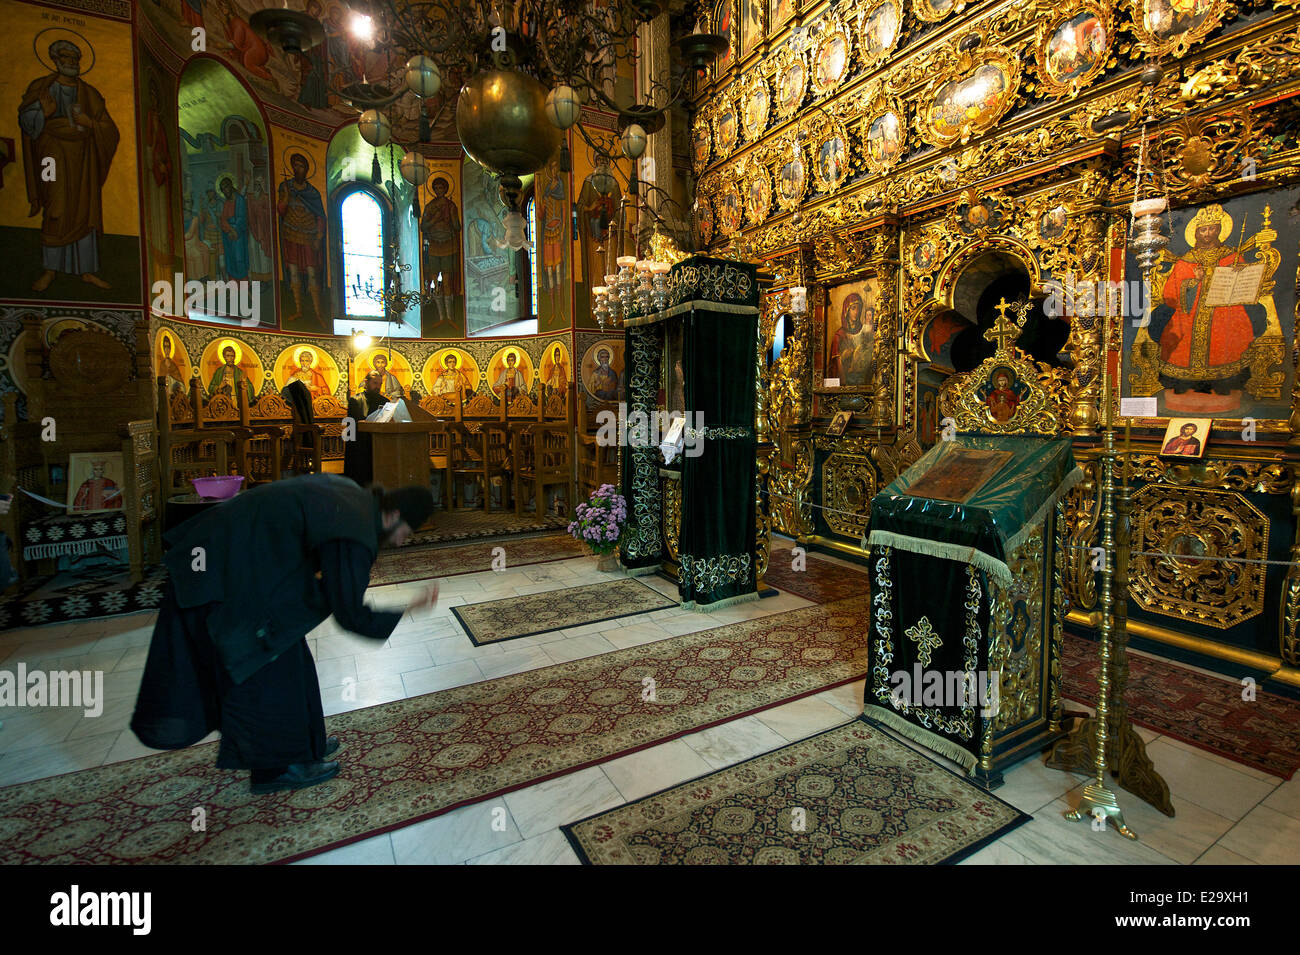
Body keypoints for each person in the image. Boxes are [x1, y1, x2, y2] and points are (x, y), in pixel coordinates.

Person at [131, 476, 437, 793]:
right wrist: (405, 609)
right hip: (221, 564)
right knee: (265, 659)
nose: (401, 541)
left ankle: (306, 744)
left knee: (288, 648)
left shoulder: (354, 498)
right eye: (405, 533)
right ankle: (274, 768)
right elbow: (349, 611)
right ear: (393, 516)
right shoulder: (356, 526)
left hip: (239, 556)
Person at [18, 39, 119, 293]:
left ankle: (86, 271)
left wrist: (90, 123)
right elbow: (26, 120)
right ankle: (50, 270)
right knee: (56, 206)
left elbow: (110, 130)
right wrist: (45, 113)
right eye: (66, 57)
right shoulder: (41, 87)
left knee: (84, 210)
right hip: (52, 156)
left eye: (76, 59)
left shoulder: (90, 94)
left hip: (83, 160)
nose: (72, 63)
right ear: (56, 60)